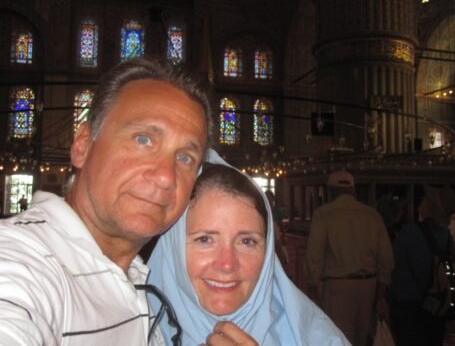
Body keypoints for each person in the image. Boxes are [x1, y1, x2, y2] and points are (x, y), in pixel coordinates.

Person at [0, 57, 211, 345]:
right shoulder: (22, 259)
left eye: (185, 158)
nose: (166, 177)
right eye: (143, 140)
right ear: (83, 145)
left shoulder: (138, 280)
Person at [148, 150, 349, 346]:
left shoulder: (317, 338)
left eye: (247, 241)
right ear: (172, 247)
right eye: (204, 239)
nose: (227, 264)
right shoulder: (129, 328)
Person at [304, 170, 394, 346]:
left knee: (339, 338)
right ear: (353, 191)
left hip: (337, 288)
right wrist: (381, 292)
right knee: (364, 338)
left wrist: (313, 286)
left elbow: (314, 256)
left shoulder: (324, 214)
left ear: (330, 192)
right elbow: (386, 258)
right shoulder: (371, 215)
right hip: (368, 286)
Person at [390, 185, 455, 346]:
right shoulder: (447, 236)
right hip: (436, 305)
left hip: (407, 305)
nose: (422, 200)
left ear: (432, 207)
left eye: (426, 199)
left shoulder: (410, 232)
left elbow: (393, 261)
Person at [264, 189, 289, 267]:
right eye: (267, 198)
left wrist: (284, 237)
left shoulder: (276, 210)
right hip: (268, 232)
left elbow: (280, 224)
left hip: (275, 233)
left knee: (278, 249)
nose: (269, 200)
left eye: (270, 198)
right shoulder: (264, 211)